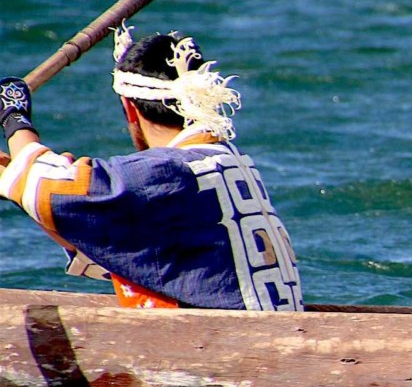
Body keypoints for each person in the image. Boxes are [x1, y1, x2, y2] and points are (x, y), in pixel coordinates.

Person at [0, 25, 302, 310]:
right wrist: (11, 175)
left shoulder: (168, 172)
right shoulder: (229, 160)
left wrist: (15, 118)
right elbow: (116, 244)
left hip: (222, 344)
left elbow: (50, 189)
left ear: (130, 108)